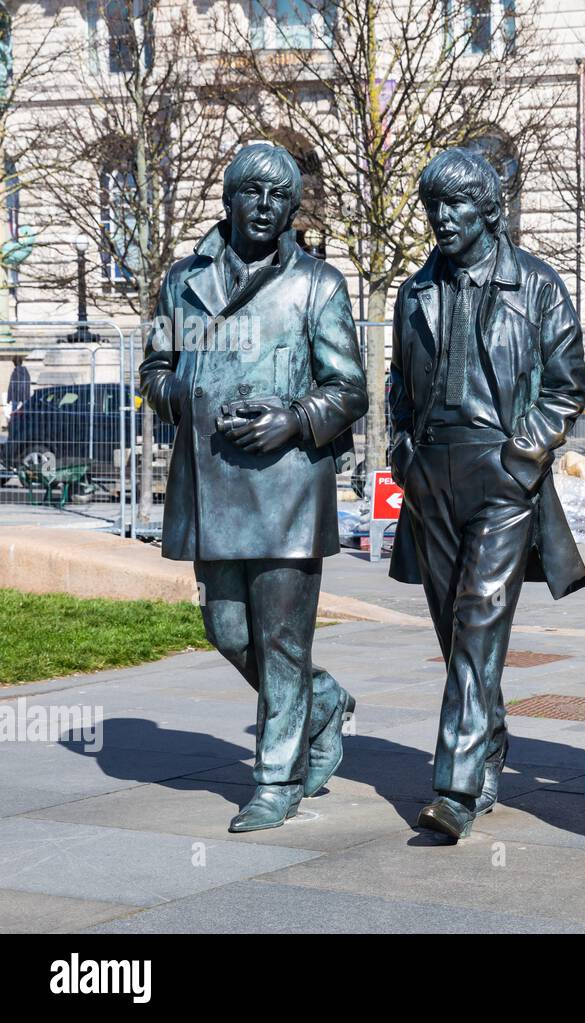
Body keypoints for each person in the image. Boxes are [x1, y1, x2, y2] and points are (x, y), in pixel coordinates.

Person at [139, 143, 367, 832]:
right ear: (228, 200)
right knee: (227, 627)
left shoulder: (318, 284)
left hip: (288, 485)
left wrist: (294, 418)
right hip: (213, 483)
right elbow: (154, 367)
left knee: (282, 638)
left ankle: (277, 778)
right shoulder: (183, 281)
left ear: (294, 211)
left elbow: (348, 388)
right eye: (252, 192)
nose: (265, 206)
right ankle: (321, 702)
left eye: (279, 196)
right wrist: (184, 394)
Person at [386, 148, 585, 842]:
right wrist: (401, 453)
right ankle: (489, 743)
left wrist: (521, 455)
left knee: (479, 616)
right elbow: (396, 390)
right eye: (434, 206)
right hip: (430, 475)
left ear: (488, 209)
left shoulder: (535, 286)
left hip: (502, 474)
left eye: (457, 205)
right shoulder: (414, 292)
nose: (442, 218)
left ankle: (455, 785)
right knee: (455, 630)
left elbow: (567, 385)